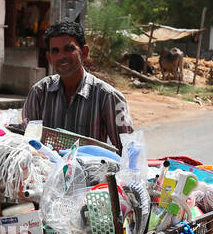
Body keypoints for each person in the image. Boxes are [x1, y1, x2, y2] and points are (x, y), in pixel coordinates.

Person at [22, 21, 134, 150]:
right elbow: (27, 142)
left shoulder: (108, 97)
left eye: (69, 49)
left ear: (84, 52)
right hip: (46, 169)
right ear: (49, 57)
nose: (61, 56)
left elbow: (128, 151)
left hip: (92, 169)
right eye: (55, 51)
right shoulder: (39, 93)